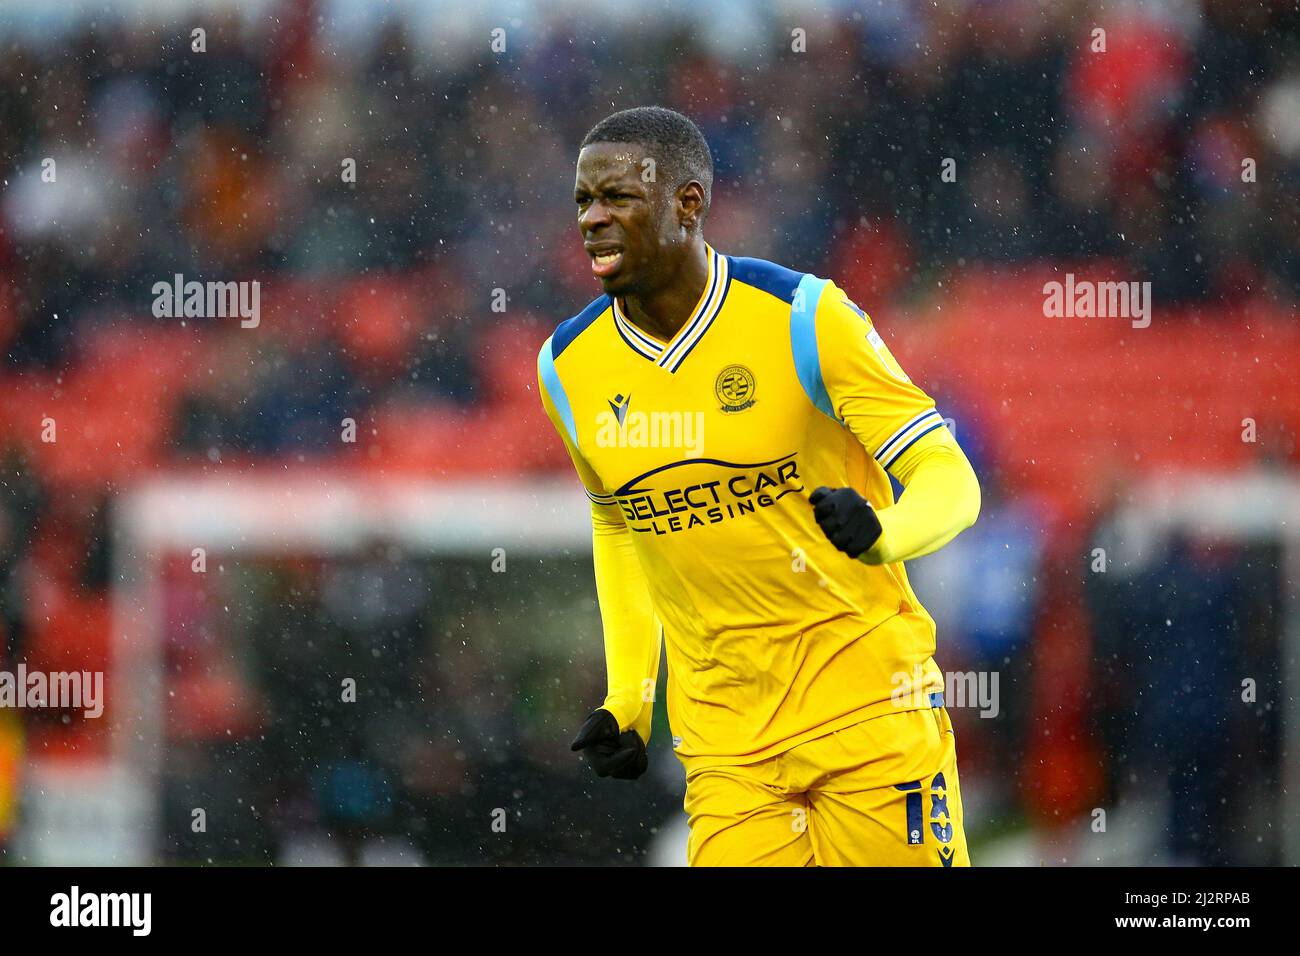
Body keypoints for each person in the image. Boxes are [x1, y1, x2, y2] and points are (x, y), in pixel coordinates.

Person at [536, 106, 981, 866]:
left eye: (619, 198)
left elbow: (950, 477)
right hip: (726, 748)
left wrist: (885, 532)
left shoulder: (807, 319)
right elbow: (619, 523)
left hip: (869, 710)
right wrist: (630, 700)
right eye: (583, 201)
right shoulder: (567, 367)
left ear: (688, 203)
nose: (594, 220)